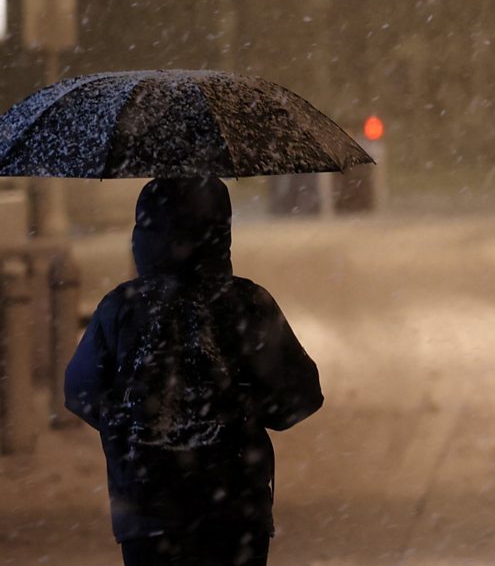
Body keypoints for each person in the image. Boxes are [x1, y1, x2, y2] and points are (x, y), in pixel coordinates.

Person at [65, 177, 324, 566]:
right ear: (222, 231)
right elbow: (300, 395)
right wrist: (247, 407)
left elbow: (80, 391)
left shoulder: (122, 308)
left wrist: (130, 424)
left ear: (143, 236)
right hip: (236, 509)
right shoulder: (248, 304)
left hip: (148, 509)